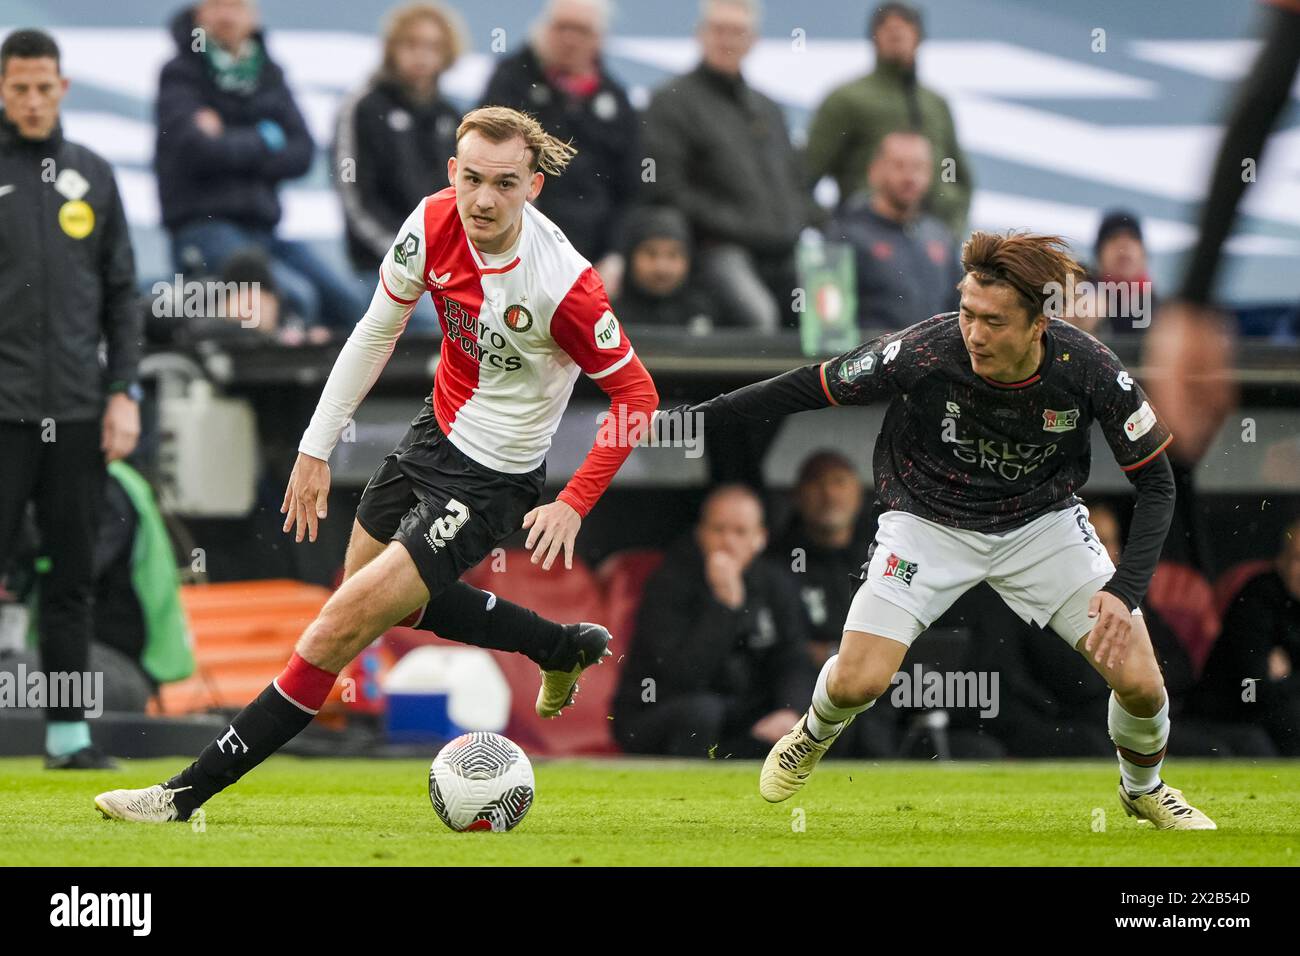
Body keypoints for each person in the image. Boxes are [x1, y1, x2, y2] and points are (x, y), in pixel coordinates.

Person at [95, 106, 661, 823]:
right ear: (454, 172)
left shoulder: (564, 285)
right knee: (363, 604)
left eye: (506, 184)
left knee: (335, 627)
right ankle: (555, 646)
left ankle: (182, 796)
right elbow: (373, 334)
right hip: (430, 438)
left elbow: (637, 393)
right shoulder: (429, 222)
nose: (485, 199)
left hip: (494, 478)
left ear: (534, 188)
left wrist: (575, 500)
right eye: (474, 180)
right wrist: (313, 447)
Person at [653, 231, 1216, 829]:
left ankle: (1143, 789)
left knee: (1142, 686)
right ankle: (812, 733)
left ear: (1038, 324)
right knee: (857, 682)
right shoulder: (926, 349)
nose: (974, 334)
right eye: (969, 314)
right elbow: (810, 384)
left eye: (994, 321)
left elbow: (1158, 486)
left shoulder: (1092, 369)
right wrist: (695, 417)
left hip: (1041, 527)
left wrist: (1122, 593)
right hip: (927, 522)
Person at [0, 29, 142, 769]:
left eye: (43, 87)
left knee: (71, 576)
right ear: (1, 87)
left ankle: (68, 738)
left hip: (81, 412)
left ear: (63, 88)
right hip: (3, 413)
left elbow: (123, 295)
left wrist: (123, 392)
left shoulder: (92, 173)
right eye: (18, 87)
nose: (31, 100)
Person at [155, 0, 365, 333]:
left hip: (265, 234)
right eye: (216, 5)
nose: (226, 16)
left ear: (254, 16)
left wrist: (226, 136)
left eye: (236, 6)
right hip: (203, 230)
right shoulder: (180, 73)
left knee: (351, 304)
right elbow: (198, 150)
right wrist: (267, 137)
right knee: (297, 298)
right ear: (199, 14)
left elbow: (302, 152)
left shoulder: (269, 73)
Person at [641, 0, 808, 332]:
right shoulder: (672, 101)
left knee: (825, 320)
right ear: (700, 35)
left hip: (785, 250)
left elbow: (795, 182)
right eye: (719, 30)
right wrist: (735, 225)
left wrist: (801, 218)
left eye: (737, 31)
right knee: (759, 318)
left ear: (752, 41)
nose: (727, 40)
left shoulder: (768, 109)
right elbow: (665, 187)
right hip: (716, 249)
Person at [613, 485, 814, 757]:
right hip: (660, 711)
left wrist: (790, 711)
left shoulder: (775, 584)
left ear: (760, 538)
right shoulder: (669, 582)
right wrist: (725, 607)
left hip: (740, 712)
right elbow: (680, 676)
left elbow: (794, 658)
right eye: (718, 530)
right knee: (702, 713)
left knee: (825, 718)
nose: (728, 541)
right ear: (700, 534)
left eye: (740, 532)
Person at [480, 0, 638, 291]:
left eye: (581, 30)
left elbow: (629, 189)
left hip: (593, 251)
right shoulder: (511, 80)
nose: (569, 39)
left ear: (599, 39)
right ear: (543, 29)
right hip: (521, 237)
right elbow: (486, 160)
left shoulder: (616, 98)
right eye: (562, 27)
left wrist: (616, 253)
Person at [805, 2, 971, 236]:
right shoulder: (847, 100)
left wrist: (949, 227)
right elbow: (802, 178)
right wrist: (837, 230)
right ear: (874, 36)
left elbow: (955, 174)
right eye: (886, 25)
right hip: (867, 239)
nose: (897, 30)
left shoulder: (936, 105)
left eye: (907, 23)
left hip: (929, 247)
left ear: (919, 36)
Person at [334, 2, 466, 277]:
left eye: (433, 46)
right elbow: (355, 198)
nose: (422, 55)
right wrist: (406, 256)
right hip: (378, 267)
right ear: (392, 48)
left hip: (445, 268)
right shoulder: (363, 108)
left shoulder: (451, 116)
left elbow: (463, 196)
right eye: (411, 44)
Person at [827, 130, 962, 331]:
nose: (910, 177)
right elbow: (830, 328)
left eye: (918, 167)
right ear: (874, 171)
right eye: (899, 166)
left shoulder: (941, 236)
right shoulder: (843, 236)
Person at [1192, 518, 1300, 754]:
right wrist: (1275, 683)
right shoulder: (1256, 600)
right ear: (1281, 562)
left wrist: (1287, 678)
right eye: (1298, 559)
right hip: (1230, 716)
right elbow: (1251, 688)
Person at [611, 205, 717, 331]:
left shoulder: (708, 313)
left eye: (673, 255)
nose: (661, 268)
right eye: (651, 253)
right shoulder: (611, 319)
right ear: (631, 257)